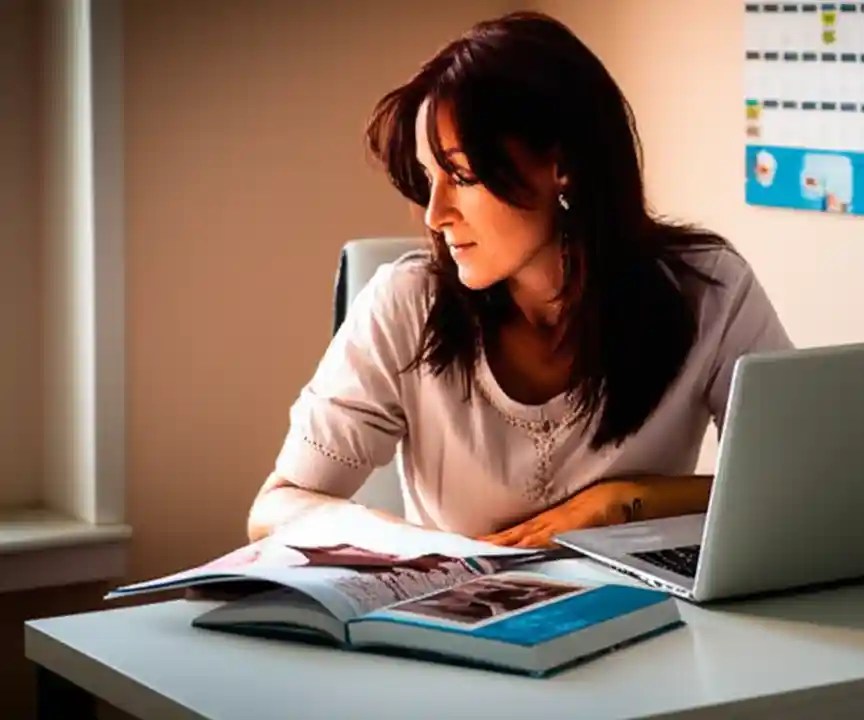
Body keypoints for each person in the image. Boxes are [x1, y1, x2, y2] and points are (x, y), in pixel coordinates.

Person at [246, 11, 791, 549]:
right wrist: (405, 541)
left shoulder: (708, 289)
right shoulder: (406, 303)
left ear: (563, 165)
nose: (435, 213)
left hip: (646, 624)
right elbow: (276, 507)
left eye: (461, 175)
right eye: (428, 177)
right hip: (460, 626)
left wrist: (622, 502)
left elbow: (795, 485)